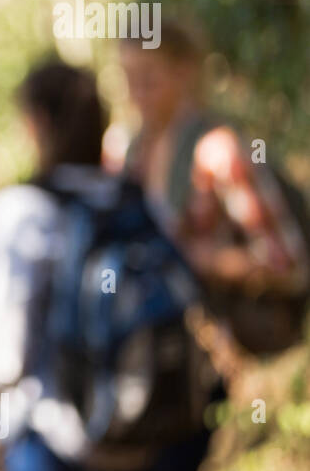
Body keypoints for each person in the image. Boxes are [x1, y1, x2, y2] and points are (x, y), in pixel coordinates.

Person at [0, 59, 212, 471]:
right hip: (138, 437)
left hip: (50, 447)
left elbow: (5, 359)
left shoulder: (21, 208)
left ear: (36, 122)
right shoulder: (130, 196)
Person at [113, 21, 309, 383]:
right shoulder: (128, 153)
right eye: (129, 80)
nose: (137, 94)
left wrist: (202, 259)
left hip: (228, 350)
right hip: (156, 355)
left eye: (149, 79)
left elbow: (289, 266)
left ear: (183, 72)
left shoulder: (219, 149)